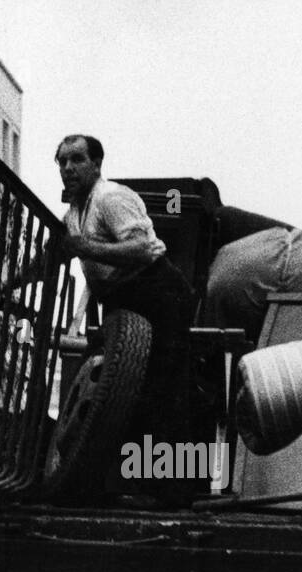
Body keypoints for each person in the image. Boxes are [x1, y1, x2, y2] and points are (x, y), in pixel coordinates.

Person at [56, 134, 198, 492]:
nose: (68, 168)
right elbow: (50, 256)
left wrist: (84, 247)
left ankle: (172, 491)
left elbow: (142, 248)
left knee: (161, 387)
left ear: (97, 164)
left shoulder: (111, 198)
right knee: (118, 388)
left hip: (157, 290)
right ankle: (123, 483)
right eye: (62, 161)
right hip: (122, 299)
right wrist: (3, 286)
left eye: (77, 159)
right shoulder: (73, 213)